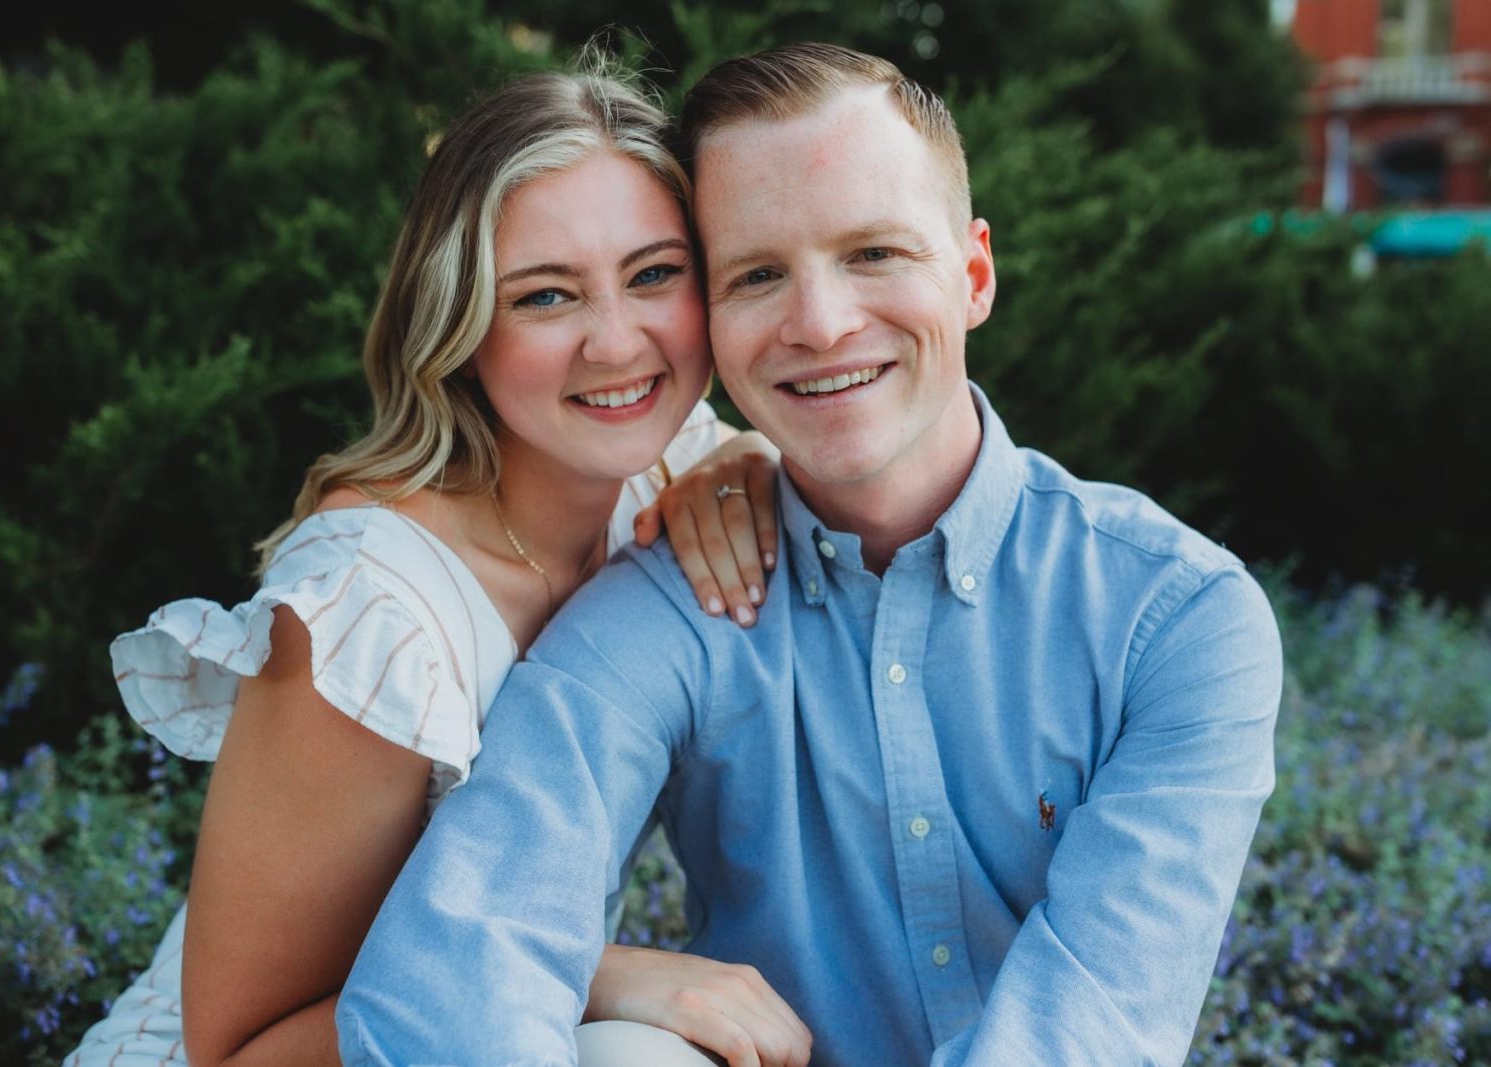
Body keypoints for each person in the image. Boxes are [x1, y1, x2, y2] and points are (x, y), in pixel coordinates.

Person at [336, 42, 1284, 1067]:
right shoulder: (666, 606)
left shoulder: (1174, 615)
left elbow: (1088, 1028)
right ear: (709, 323)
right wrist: (607, 978)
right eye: (757, 275)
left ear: (972, 275)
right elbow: (458, 967)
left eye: (873, 253)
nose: (821, 325)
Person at [62, 62, 816, 1067]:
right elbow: (237, 1048)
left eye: (653, 274)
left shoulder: (662, 475)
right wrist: (592, 973)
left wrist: (753, 459)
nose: (615, 342)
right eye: (544, 295)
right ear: (461, 329)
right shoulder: (370, 612)